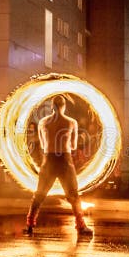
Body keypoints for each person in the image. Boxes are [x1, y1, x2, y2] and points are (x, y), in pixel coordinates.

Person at [24, 95, 93, 237]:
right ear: (64, 106)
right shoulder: (71, 122)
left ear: (51, 107)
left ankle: (30, 224)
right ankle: (81, 226)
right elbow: (73, 146)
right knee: (73, 195)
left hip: (48, 160)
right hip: (64, 161)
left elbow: (43, 145)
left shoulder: (43, 122)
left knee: (39, 194)